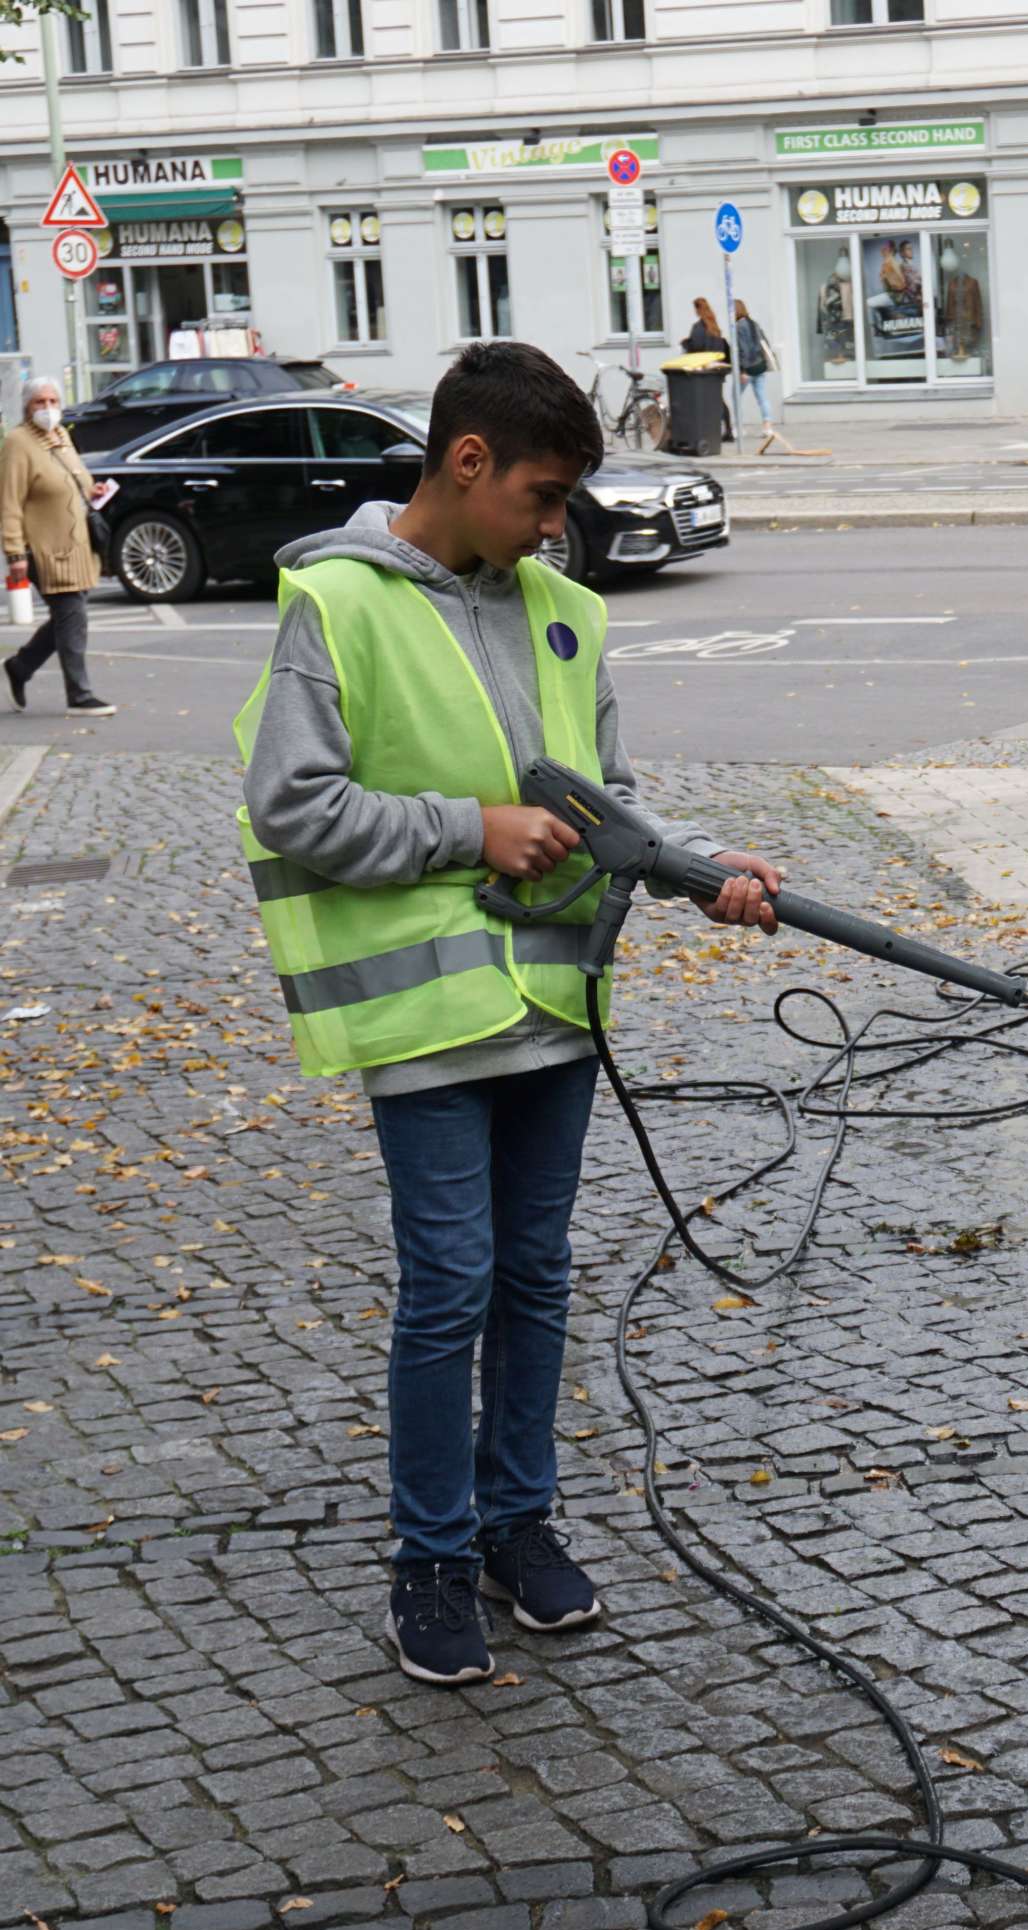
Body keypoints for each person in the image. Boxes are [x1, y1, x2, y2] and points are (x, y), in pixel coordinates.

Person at [235, 340, 782, 1687]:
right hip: (422, 1022)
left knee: (535, 1276)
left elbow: (614, 804)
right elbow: (292, 803)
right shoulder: (337, 602)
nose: (557, 527)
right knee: (451, 1287)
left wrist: (706, 872)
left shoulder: (561, 610)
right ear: (465, 461)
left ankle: (515, 1525)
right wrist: (465, 827)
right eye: (542, 497)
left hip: (551, 1009)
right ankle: (428, 1558)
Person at [3, 377, 115, 717]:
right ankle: (79, 695)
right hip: (43, 548)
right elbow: (8, 502)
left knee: (67, 618)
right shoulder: (17, 443)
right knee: (72, 616)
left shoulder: (60, 436)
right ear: (27, 406)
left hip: (76, 546)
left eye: (53, 401)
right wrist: (15, 553)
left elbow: (77, 477)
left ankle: (20, 667)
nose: (48, 408)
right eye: (40, 402)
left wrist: (91, 490)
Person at [685, 296, 735, 442]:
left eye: (695, 309)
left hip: (703, 370)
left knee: (704, 401)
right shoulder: (714, 326)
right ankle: (728, 430)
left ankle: (708, 431)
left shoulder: (698, 327)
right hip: (717, 370)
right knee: (718, 400)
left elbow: (696, 348)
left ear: (698, 309)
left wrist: (686, 343)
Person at [732, 297, 777, 429]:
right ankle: (767, 426)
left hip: (748, 369)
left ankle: (739, 428)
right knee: (762, 397)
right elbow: (764, 343)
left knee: (736, 397)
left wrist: (743, 371)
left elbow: (742, 350)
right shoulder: (754, 323)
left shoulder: (738, 327)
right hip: (760, 366)